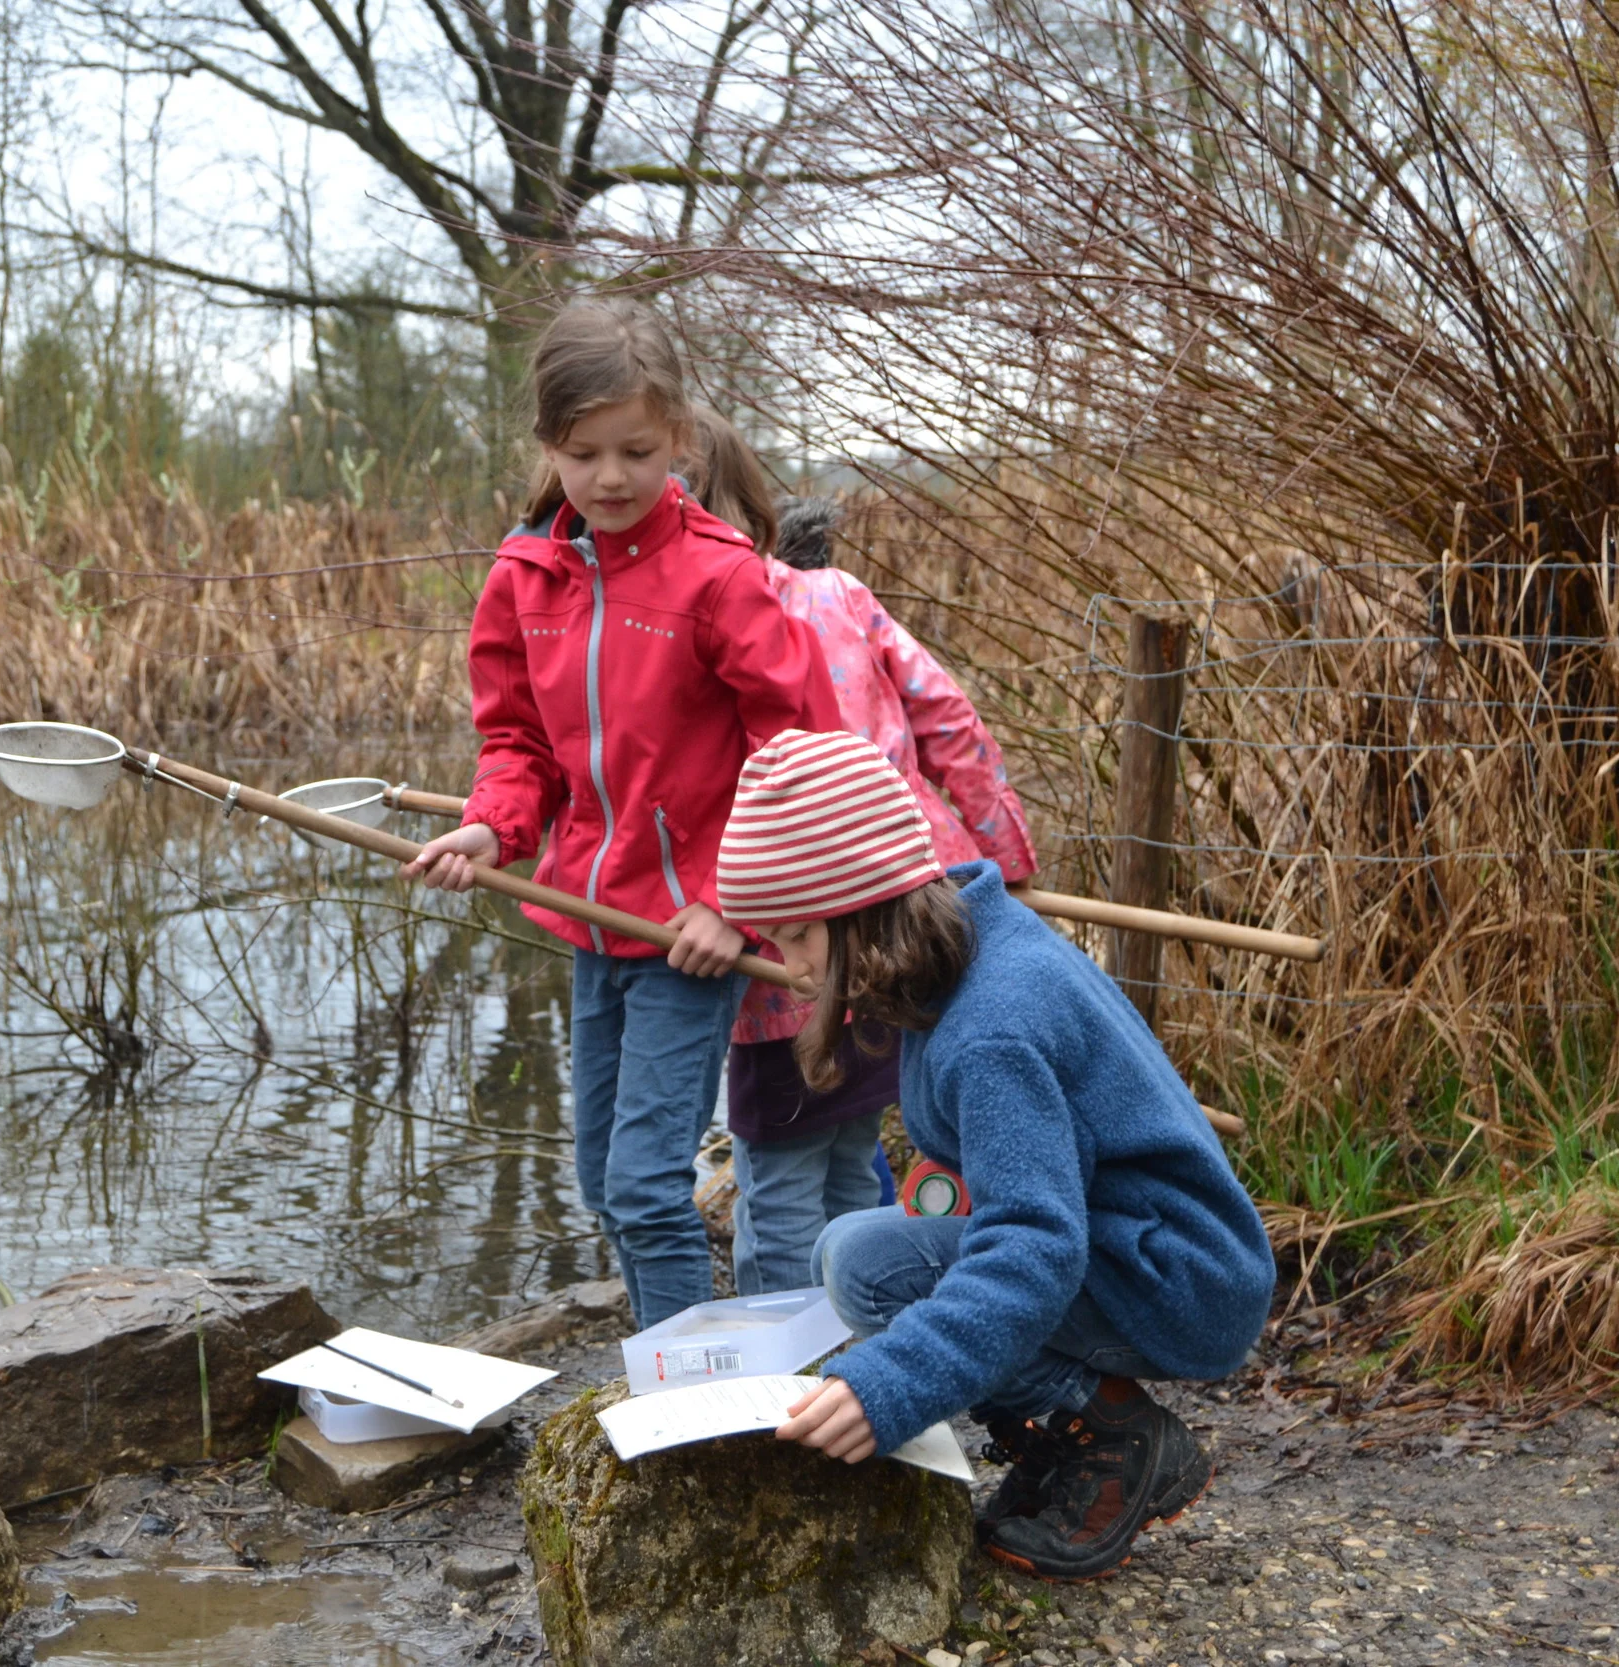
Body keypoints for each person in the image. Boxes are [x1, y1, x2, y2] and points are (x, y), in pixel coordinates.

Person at [712, 728, 1274, 1582]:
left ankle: (1118, 1438)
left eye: (797, 936)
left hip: (1181, 1278)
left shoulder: (992, 1028)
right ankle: (1063, 1434)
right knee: (855, 1252)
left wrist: (889, 1384)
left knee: (876, 1272)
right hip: (1131, 1242)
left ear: (860, 903)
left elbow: (1034, 1247)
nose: (790, 968)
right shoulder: (966, 944)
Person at [402, 302, 841, 1332]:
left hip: (690, 933)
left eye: (636, 451)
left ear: (680, 438)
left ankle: (691, 1393)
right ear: (547, 447)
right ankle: (673, 1362)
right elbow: (517, 745)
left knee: (647, 1186)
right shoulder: (525, 574)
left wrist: (735, 904)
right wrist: (491, 830)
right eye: (582, 452)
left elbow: (801, 751)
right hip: (593, 919)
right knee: (606, 1184)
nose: (609, 478)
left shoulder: (721, 577)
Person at [686, 409, 1039, 1295]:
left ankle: (787, 1365)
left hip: (785, 949)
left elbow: (687, 790)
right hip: (900, 914)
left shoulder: (690, 624)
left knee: (777, 1172)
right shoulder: (838, 594)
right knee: (850, 1146)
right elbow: (947, 713)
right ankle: (861, 1322)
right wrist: (1001, 852)